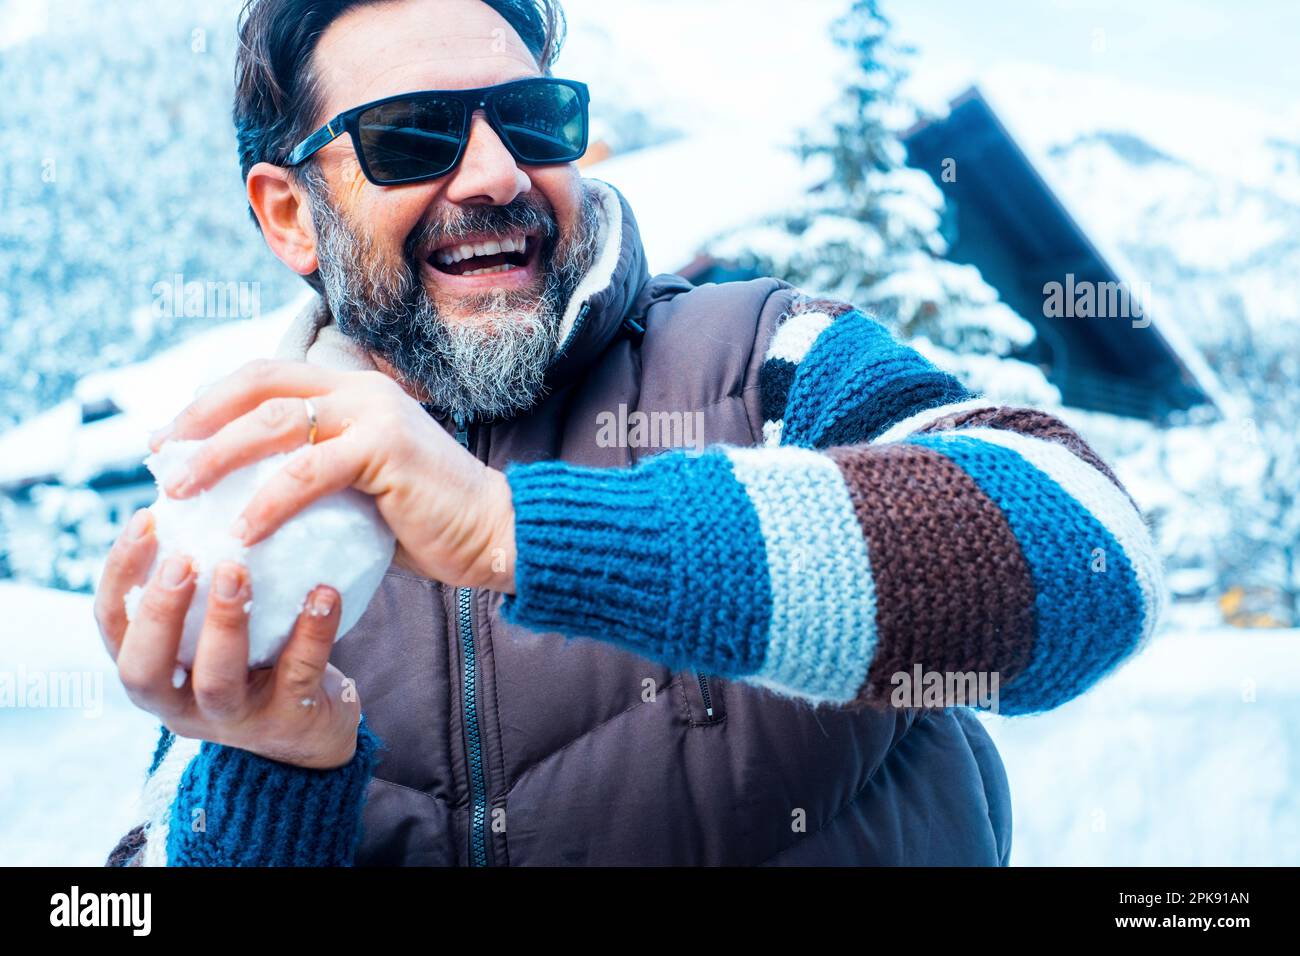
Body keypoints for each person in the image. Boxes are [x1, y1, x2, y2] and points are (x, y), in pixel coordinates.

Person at [100, 0, 1161, 866]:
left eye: (532, 117)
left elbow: (1090, 556)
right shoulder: (254, 510)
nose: (496, 174)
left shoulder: (763, 353)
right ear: (289, 215)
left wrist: (517, 529)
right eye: (410, 134)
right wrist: (274, 769)